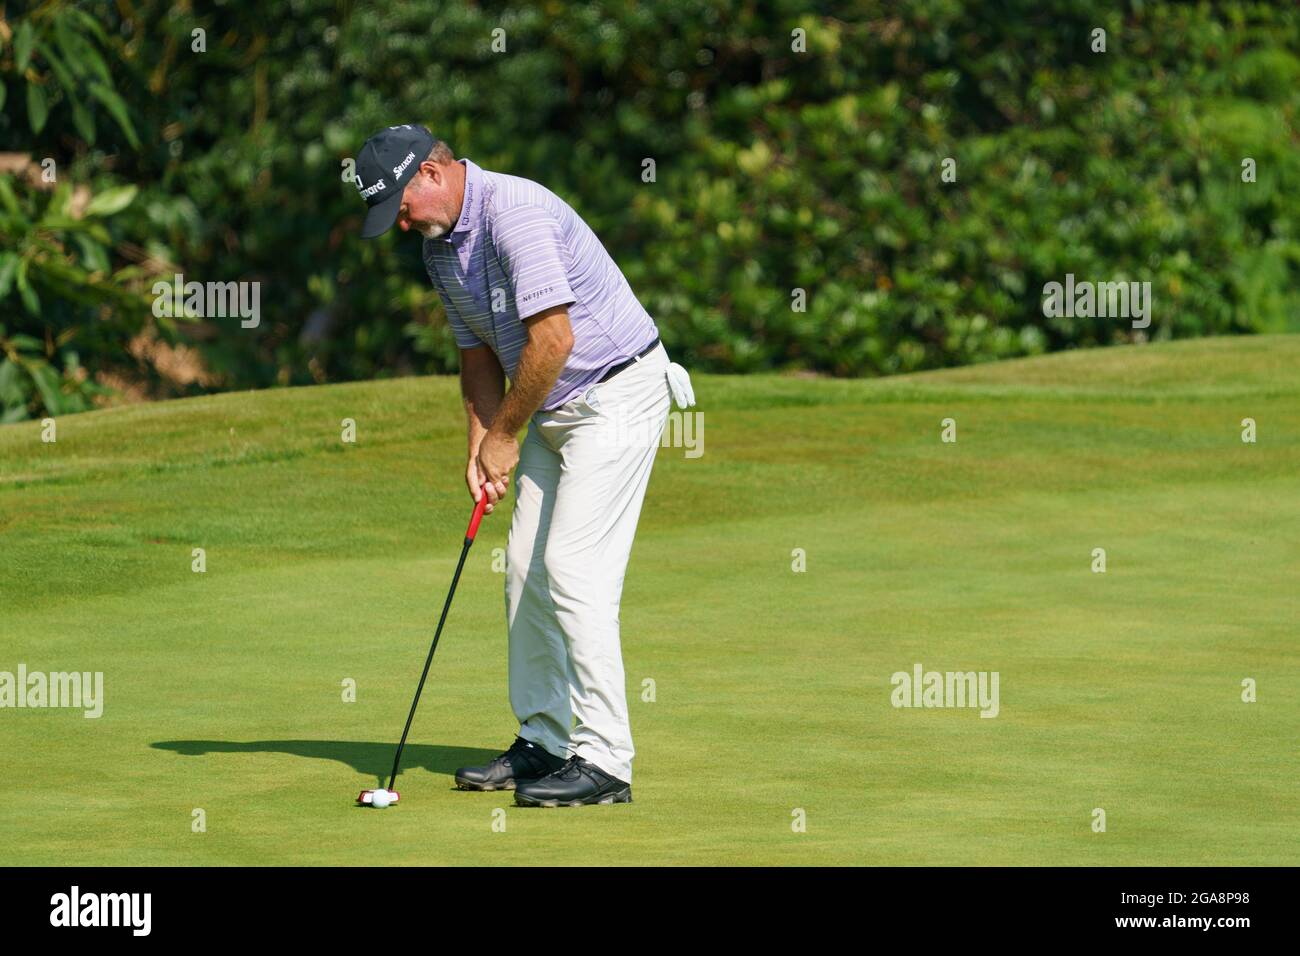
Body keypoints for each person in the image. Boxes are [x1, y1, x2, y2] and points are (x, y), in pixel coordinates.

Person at [353, 124, 694, 807]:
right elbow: (478, 356)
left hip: (617, 393)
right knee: (522, 571)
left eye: (399, 205)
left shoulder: (517, 213)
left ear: (430, 174)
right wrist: (481, 444)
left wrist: (507, 435)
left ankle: (606, 761)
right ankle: (543, 740)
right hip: (549, 406)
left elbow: (554, 339)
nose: (398, 223)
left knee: (573, 568)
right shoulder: (439, 249)